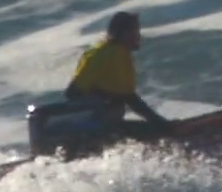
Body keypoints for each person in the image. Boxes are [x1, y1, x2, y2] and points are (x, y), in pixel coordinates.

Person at [66, 10, 174, 141]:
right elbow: (131, 99)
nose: (139, 36)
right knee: (117, 104)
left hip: (82, 117)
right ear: (124, 34)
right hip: (95, 121)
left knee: (114, 101)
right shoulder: (117, 54)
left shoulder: (98, 49)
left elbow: (72, 91)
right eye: (136, 31)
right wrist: (164, 125)